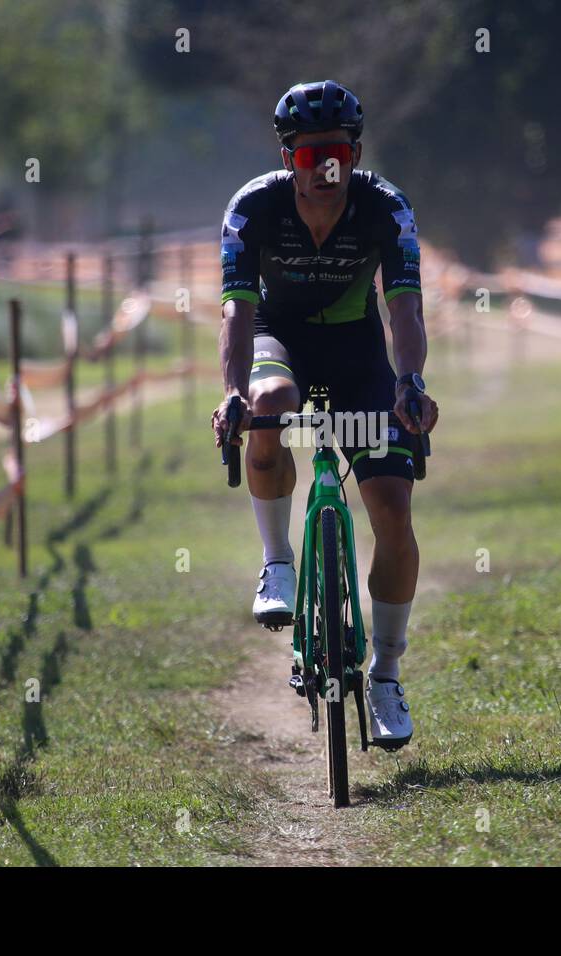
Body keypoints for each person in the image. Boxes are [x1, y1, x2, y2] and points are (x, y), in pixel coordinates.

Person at [211, 80, 439, 748]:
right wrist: (232, 390)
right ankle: (276, 560)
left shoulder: (385, 207)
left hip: (357, 356)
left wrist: (410, 379)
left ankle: (387, 674)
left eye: (336, 153)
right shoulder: (252, 209)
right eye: (309, 157)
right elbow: (236, 311)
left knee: (394, 509)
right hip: (278, 343)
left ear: (356, 152)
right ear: (289, 160)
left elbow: (404, 307)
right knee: (269, 406)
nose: (324, 169)